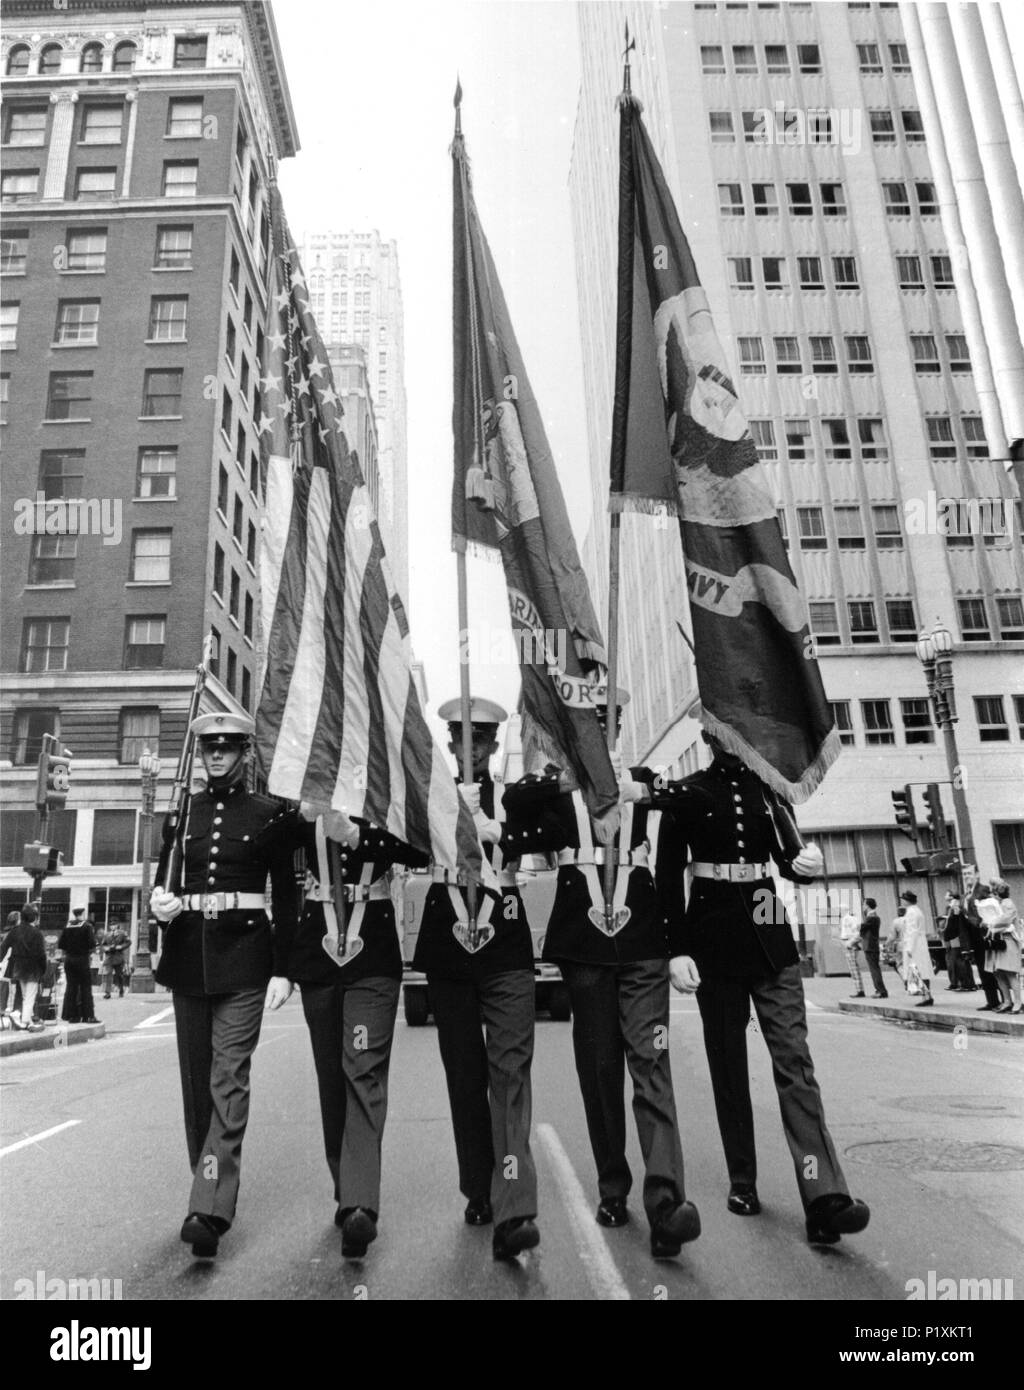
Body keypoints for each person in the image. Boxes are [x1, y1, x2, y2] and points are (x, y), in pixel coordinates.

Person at [501, 688, 701, 1260]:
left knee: (651, 1067)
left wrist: (680, 947)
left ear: (616, 729)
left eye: (605, 725)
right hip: (584, 950)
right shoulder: (554, 795)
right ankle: (614, 1187)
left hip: (642, 946)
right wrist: (560, 777)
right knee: (600, 1071)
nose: (599, 735)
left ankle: (667, 1202)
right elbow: (514, 806)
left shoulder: (644, 782)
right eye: (586, 726)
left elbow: (684, 825)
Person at [655, 733, 870, 1247]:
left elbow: (789, 860)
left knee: (794, 1061)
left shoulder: (770, 794)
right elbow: (666, 875)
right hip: (711, 930)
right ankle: (742, 1181)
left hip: (767, 926)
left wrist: (808, 868)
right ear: (711, 735)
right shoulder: (688, 792)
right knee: (728, 1064)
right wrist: (676, 949)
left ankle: (824, 1199)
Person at [149, 712, 298, 1259]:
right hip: (189, 957)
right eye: (209, 749)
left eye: (226, 749)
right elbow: (168, 878)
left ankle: (208, 1206)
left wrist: (285, 968)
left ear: (242, 755)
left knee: (227, 1077)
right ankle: (206, 1180)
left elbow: (287, 893)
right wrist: (159, 908)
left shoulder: (268, 814)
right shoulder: (183, 813)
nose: (215, 757)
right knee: (196, 1087)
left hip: (245, 959)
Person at [261, 802, 428, 1257]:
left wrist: (357, 836)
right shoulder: (310, 795)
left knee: (363, 1071)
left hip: (371, 955)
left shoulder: (386, 794)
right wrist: (301, 812)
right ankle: (346, 1187)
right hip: (318, 958)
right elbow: (267, 842)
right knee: (333, 1081)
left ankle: (361, 1204)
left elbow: (418, 851)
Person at [412, 697, 540, 1262]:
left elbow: (547, 834)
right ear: (449, 745)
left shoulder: (515, 797)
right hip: (448, 945)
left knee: (509, 1072)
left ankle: (515, 1203)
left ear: (492, 747)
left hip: (505, 943)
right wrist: (446, 816)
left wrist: (498, 830)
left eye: (482, 742)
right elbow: (402, 844)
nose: (472, 751)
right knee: (465, 1076)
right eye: (461, 741)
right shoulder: (428, 795)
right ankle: (479, 1188)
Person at [976, 880, 1022, 1014]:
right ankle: (1007, 1001)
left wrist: (990, 923)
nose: (992, 895)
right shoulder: (999, 903)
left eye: (994, 892)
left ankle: (1017, 1003)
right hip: (998, 942)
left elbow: (1006, 919)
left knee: (1010, 973)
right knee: (998, 973)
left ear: (998, 892)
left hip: (1007, 942)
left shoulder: (1008, 903)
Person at [962, 864, 1004, 1012]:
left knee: (992, 968)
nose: (967, 876)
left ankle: (1004, 1000)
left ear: (977, 875)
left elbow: (990, 912)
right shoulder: (966, 894)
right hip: (974, 937)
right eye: (965, 874)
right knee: (982, 969)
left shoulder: (983, 890)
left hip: (984, 934)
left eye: (969, 873)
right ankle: (991, 1000)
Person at [3, 905, 48, 1032]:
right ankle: (23, 1021)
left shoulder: (15, 931)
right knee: (30, 996)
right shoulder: (37, 933)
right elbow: (41, 954)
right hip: (33, 968)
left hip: (18, 967)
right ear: (33, 917)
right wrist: (43, 969)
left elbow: (4, 947)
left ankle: (27, 1021)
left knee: (24, 995)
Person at [58, 908, 98, 1024]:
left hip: (69, 960)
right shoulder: (87, 927)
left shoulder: (67, 927)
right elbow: (91, 944)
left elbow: (61, 945)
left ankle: (72, 1015)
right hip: (82, 959)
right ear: (83, 914)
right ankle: (88, 1016)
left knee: (71, 988)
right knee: (86, 988)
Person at [899, 890, 933, 1007]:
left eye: (903, 899)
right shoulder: (915, 910)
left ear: (907, 900)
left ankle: (926, 996)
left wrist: (909, 948)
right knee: (921, 970)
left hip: (915, 945)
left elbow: (912, 930)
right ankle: (926, 995)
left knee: (919, 970)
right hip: (918, 943)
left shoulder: (912, 912)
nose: (902, 901)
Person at [941, 891, 976, 993]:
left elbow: (956, 924)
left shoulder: (956, 909)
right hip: (954, 937)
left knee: (960, 961)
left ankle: (967, 983)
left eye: (953, 899)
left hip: (957, 938)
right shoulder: (952, 908)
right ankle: (963, 983)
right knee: (957, 961)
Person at [859, 897, 887, 998]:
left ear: (867, 905)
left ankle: (880, 990)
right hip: (871, 946)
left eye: (863, 904)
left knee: (874, 969)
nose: (862, 906)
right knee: (874, 968)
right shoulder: (872, 917)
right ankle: (879, 990)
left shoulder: (872, 918)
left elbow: (861, 928)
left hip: (870, 946)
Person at [101, 919, 131, 999]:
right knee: (108, 975)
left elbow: (128, 942)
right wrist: (106, 949)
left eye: (114, 925)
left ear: (117, 925)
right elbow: (103, 945)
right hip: (109, 957)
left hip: (118, 957)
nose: (112, 927)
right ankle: (108, 993)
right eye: (111, 925)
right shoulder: (107, 935)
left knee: (119, 975)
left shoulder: (122, 933)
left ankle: (121, 990)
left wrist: (121, 947)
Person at [838, 905, 864, 998]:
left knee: (853, 968)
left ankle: (859, 990)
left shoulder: (850, 919)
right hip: (847, 942)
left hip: (849, 943)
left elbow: (857, 932)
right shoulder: (845, 919)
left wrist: (850, 942)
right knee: (853, 968)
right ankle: (859, 989)